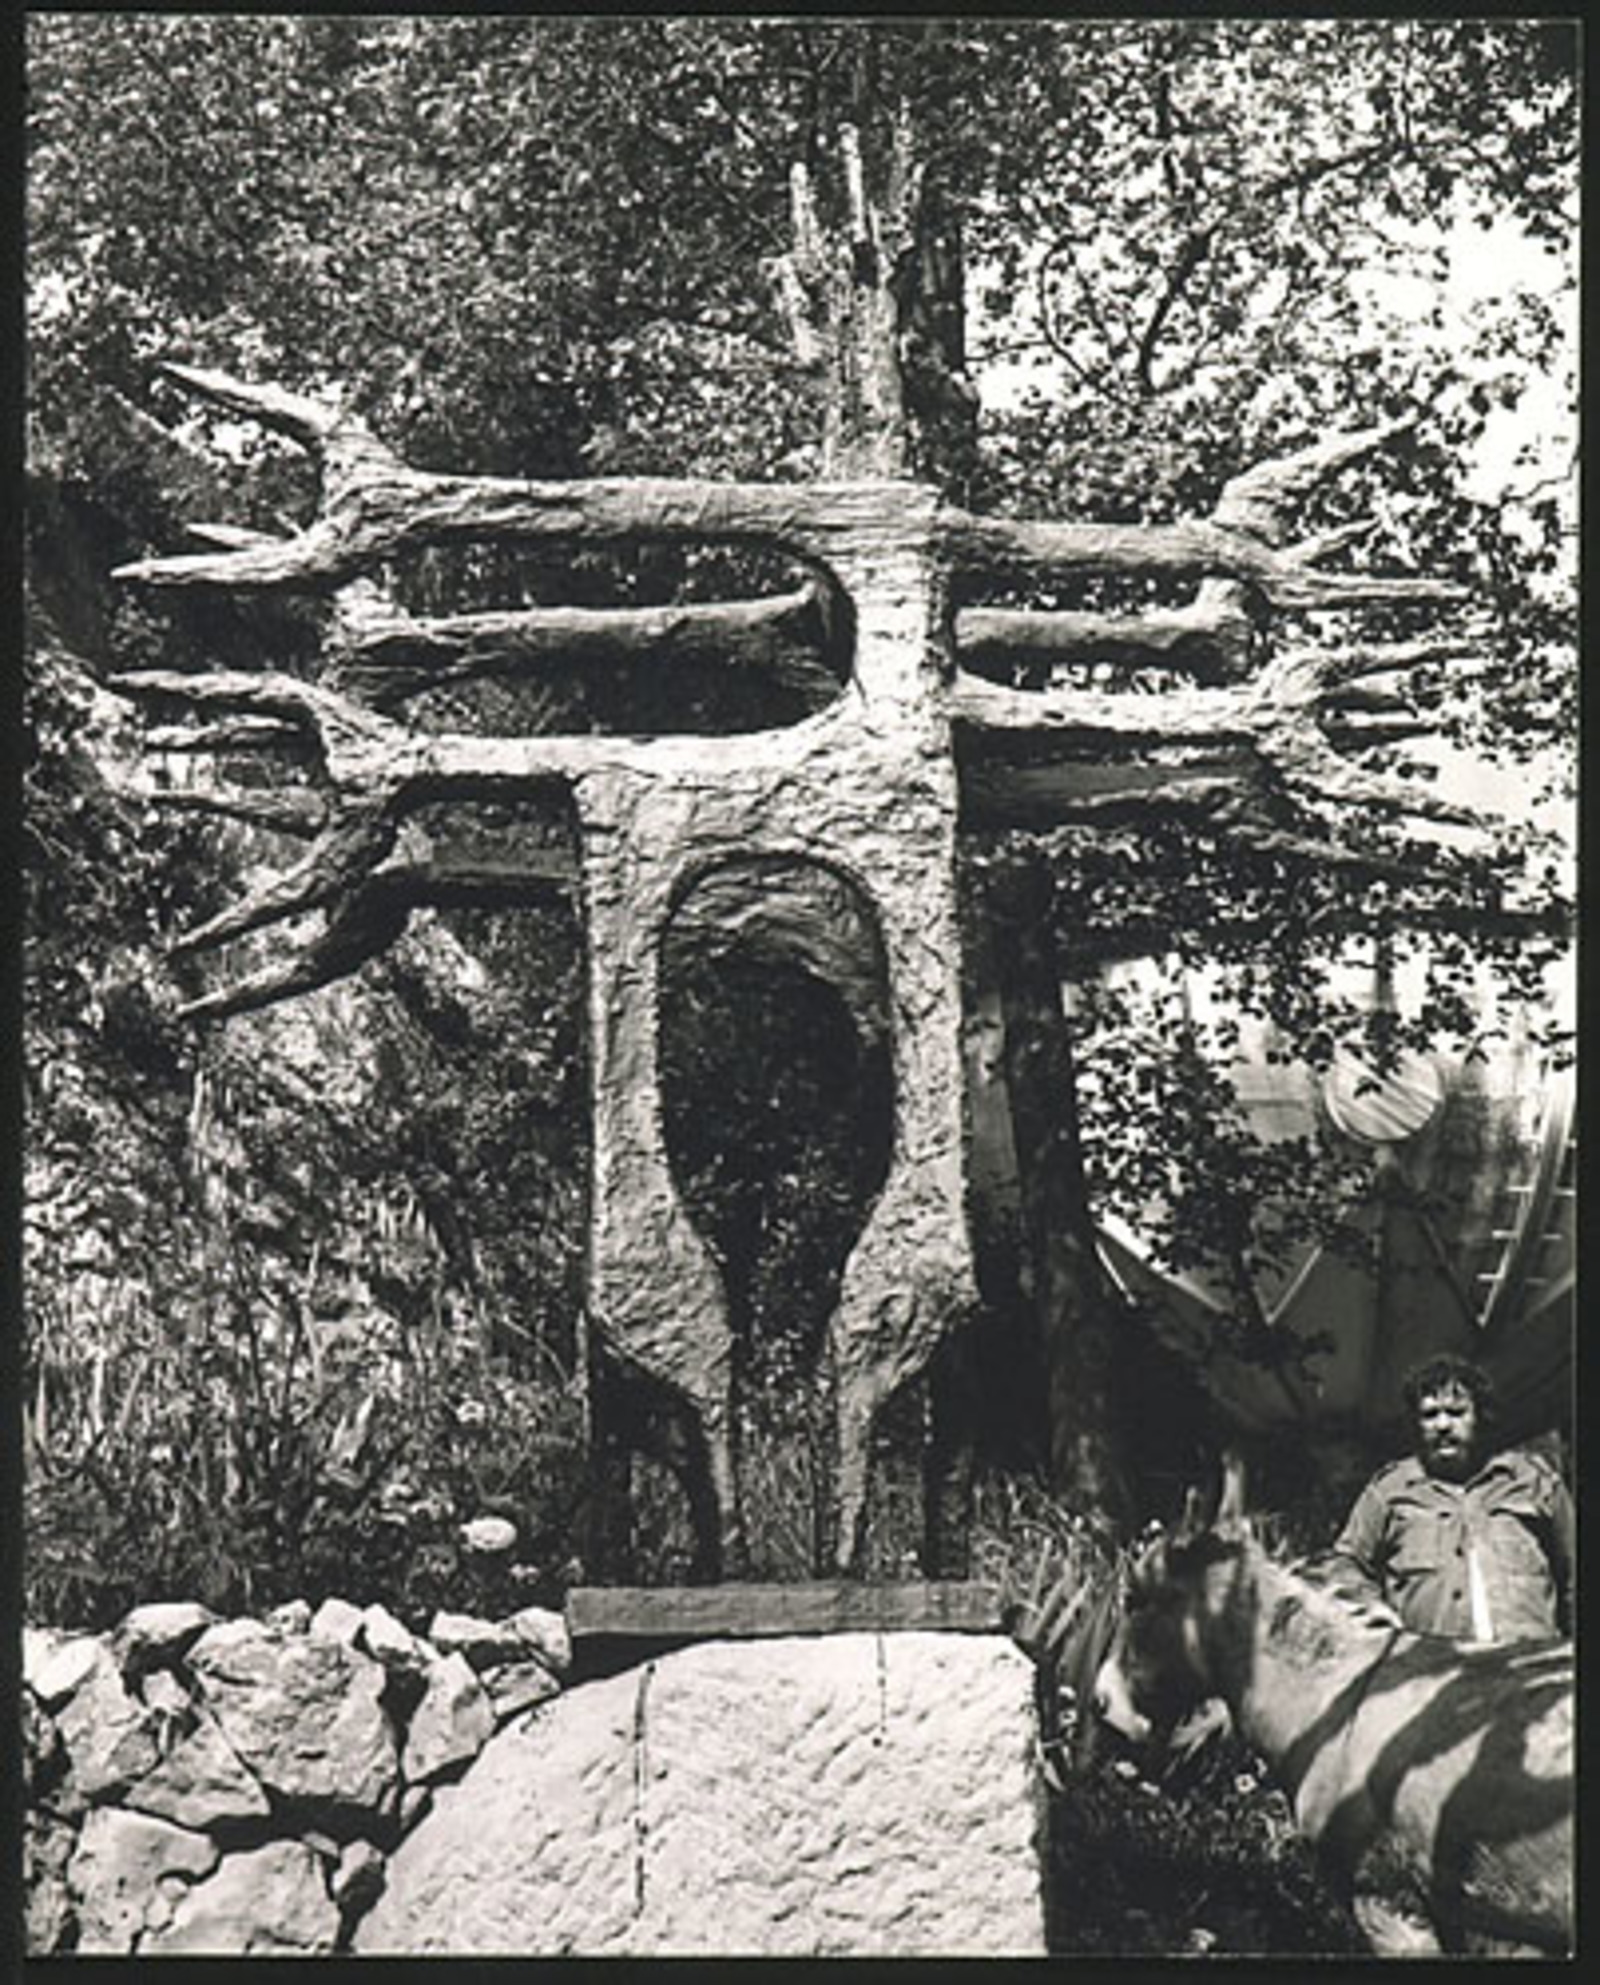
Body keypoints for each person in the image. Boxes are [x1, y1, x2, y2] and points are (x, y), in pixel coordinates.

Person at [1326, 1353, 1573, 1643]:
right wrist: (1370, 1609)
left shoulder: (1533, 1481)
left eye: (1456, 1412)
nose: (1442, 1425)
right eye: (1430, 1414)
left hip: (1529, 1672)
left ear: (1480, 1416)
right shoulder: (1389, 1490)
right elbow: (1345, 1565)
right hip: (1434, 1679)